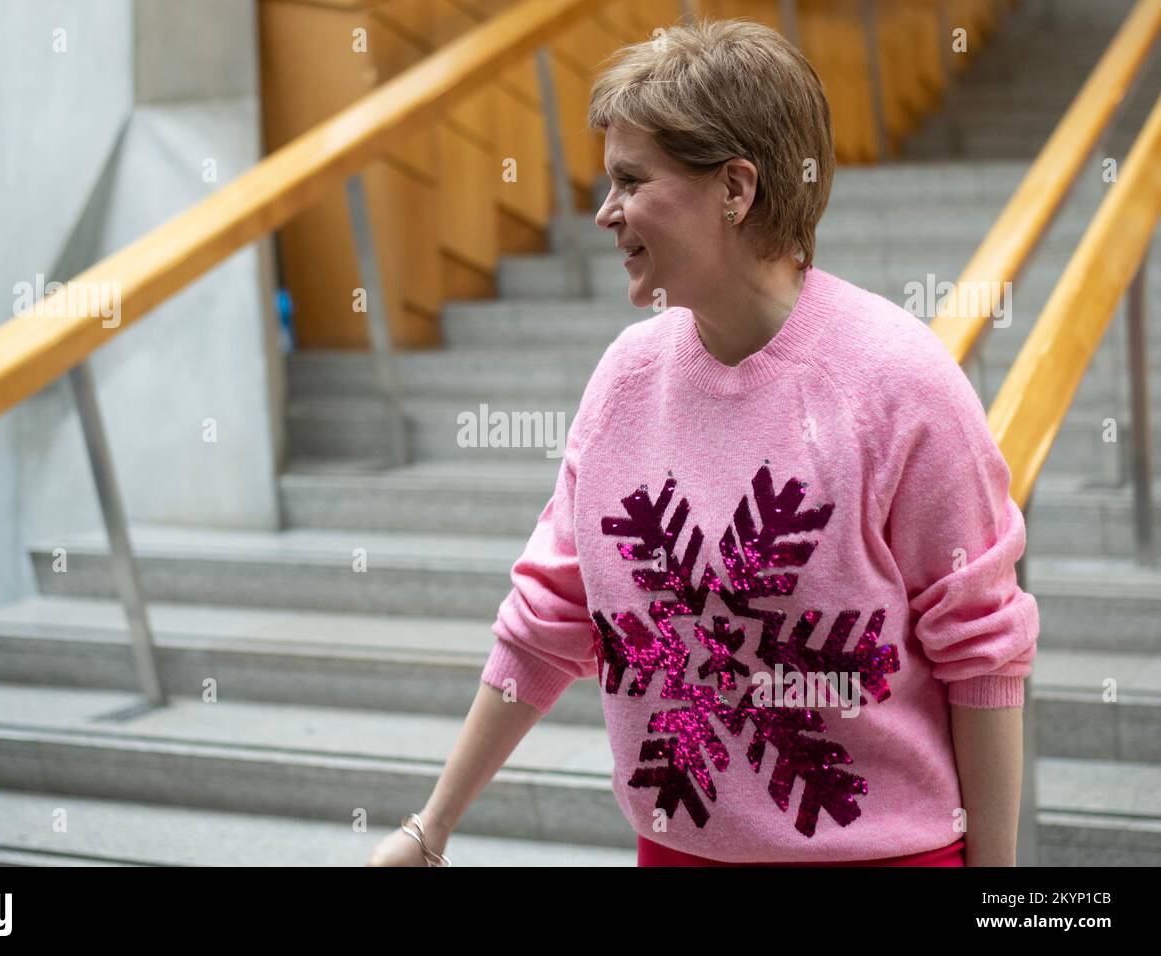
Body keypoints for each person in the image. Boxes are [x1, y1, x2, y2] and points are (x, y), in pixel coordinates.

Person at [367, 16, 1037, 868]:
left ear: (735, 188)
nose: (606, 212)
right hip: (673, 853)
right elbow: (547, 620)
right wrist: (431, 832)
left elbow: (982, 650)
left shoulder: (900, 380)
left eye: (630, 179)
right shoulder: (625, 380)